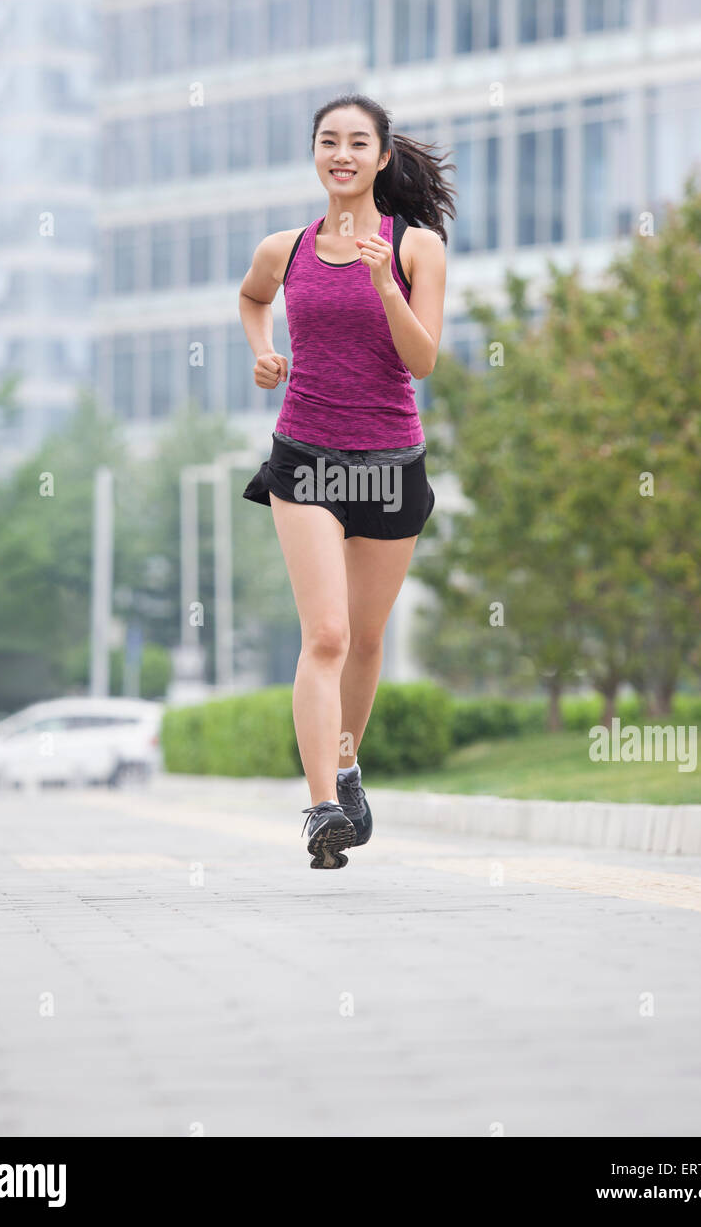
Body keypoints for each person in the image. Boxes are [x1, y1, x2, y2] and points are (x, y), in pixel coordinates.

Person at [238, 93, 455, 868]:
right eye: (329, 141)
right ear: (315, 154)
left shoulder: (417, 247)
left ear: (382, 157)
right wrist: (262, 350)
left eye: (358, 143)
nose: (342, 154)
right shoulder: (286, 248)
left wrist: (385, 286)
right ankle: (323, 806)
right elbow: (252, 297)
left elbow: (422, 361)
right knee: (325, 634)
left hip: (391, 463)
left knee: (366, 641)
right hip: (307, 457)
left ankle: (347, 763)